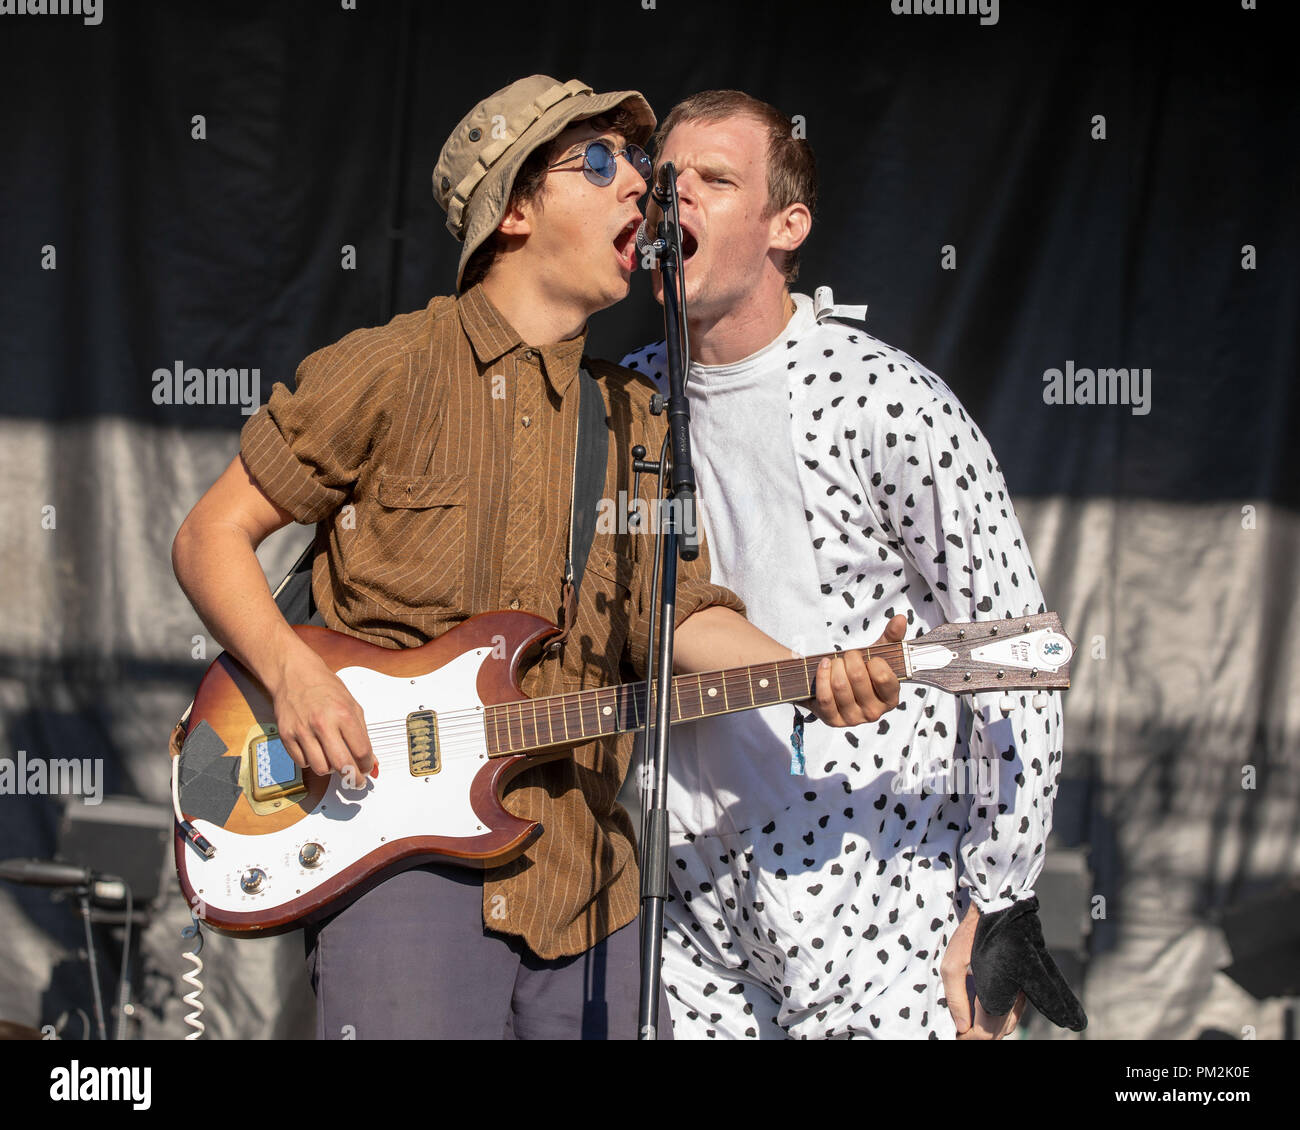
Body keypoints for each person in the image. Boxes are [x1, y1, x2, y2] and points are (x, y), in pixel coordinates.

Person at [170, 76, 904, 1040]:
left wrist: (811, 675)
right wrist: (295, 677)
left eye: (639, 165)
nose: (639, 188)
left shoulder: (637, 419)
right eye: (599, 162)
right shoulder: (389, 368)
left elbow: (681, 618)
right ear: (513, 209)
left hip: (588, 882)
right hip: (404, 867)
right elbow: (209, 534)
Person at [621, 90, 1086, 1039]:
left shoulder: (884, 400)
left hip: (877, 897)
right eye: (666, 182)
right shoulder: (626, 403)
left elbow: (1018, 653)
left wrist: (1000, 903)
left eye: (716, 180)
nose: (681, 204)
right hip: (691, 907)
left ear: (786, 225)